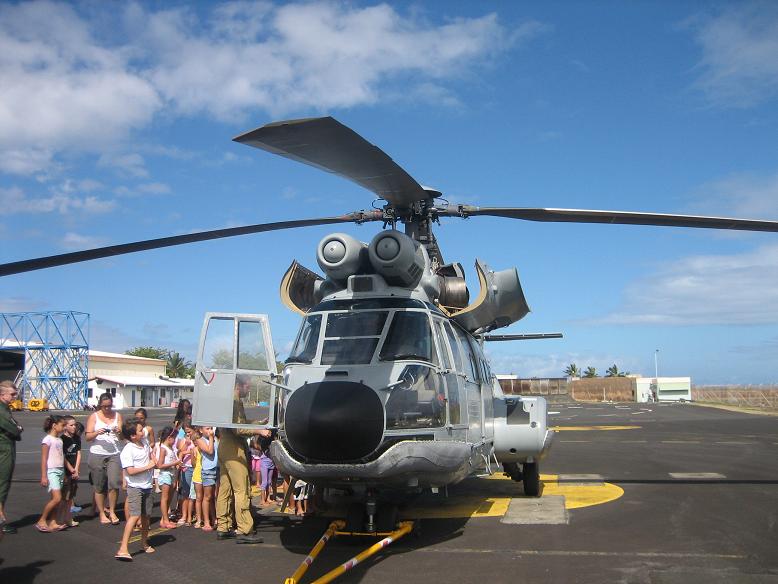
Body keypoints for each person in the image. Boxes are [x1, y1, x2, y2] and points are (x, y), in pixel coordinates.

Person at [215, 375, 264, 544]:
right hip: (234, 449)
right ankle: (244, 529)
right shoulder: (234, 402)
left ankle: (223, 526)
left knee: (225, 490)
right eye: (247, 387)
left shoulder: (228, 401)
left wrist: (257, 423)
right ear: (239, 385)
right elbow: (238, 429)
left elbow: (241, 423)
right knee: (241, 489)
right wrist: (259, 431)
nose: (249, 390)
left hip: (224, 446)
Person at [115, 420, 156, 561]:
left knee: (146, 516)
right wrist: (149, 466)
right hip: (135, 487)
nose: (142, 431)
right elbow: (130, 471)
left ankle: (144, 543)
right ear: (133, 436)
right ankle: (123, 548)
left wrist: (153, 458)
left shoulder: (143, 441)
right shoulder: (128, 450)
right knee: (134, 516)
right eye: (139, 430)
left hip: (147, 486)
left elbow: (149, 430)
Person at [85, 392, 123, 525]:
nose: (107, 409)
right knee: (99, 485)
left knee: (113, 483)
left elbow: (122, 437)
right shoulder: (94, 417)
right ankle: (101, 512)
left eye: (109, 406)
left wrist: (119, 432)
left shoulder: (117, 416)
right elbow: (88, 437)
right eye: (104, 406)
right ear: (100, 405)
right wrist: (97, 432)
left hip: (114, 453)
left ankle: (112, 510)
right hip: (97, 453)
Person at [36, 415, 67, 532]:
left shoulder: (59, 440)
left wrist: (63, 471)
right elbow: (44, 458)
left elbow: (61, 456)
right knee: (57, 498)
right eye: (62, 425)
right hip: (52, 471)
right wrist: (44, 475)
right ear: (54, 426)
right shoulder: (47, 440)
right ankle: (42, 520)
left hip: (59, 470)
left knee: (55, 499)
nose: (64, 428)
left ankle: (53, 522)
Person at [0, 380, 23, 536]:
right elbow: (14, 430)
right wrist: (18, 429)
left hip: (5, 448)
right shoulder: (2, 411)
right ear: (2, 394)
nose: (15, 396)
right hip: (4, 449)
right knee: (2, 484)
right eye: (12, 394)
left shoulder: (6, 409)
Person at [156, 426, 181, 529]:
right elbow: (160, 465)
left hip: (171, 474)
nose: (175, 441)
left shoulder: (170, 448)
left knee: (169, 497)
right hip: (165, 474)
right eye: (174, 438)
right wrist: (174, 462)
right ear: (169, 437)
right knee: (165, 498)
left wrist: (177, 464)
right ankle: (166, 520)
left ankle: (164, 519)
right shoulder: (163, 449)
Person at [58, 416, 81, 527]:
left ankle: (68, 518)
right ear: (65, 427)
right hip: (66, 471)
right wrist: (71, 469)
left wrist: (76, 468)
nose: (74, 427)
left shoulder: (76, 438)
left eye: (75, 425)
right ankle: (59, 518)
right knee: (63, 497)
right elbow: (63, 456)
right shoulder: (62, 439)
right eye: (71, 425)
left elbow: (78, 453)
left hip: (74, 470)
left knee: (70, 497)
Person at [195, 426, 217, 531]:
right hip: (208, 470)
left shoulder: (215, 438)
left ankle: (215, 518)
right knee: (207, 497)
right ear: (201, 430)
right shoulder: (200, 440)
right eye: (207, 429)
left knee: (214, 496)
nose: (210, 431)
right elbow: (210, 451)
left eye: (211, 428)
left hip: (217, 468)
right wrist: (211, 437)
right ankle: (207, 522)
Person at [176, 424, 196, 526]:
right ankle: (184, 515)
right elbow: (179, 451)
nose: (188, 434)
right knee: (185, 493)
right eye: (186, 432)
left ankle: (193, 514)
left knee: (194, 493)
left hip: (196, 467)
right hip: (187, 467)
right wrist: (187, 444)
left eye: (189, 432)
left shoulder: (197, 439)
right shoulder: (185, 440)